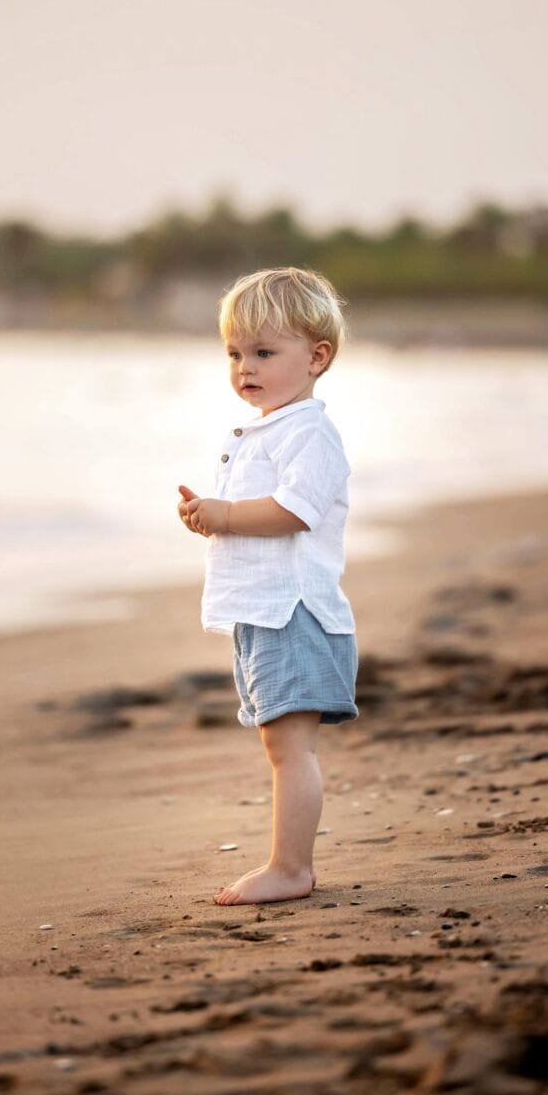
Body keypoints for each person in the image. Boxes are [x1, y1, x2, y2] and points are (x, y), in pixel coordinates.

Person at [177, 266, 359, 906]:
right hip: (266, 614)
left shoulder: (309, 431)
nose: (243, 367)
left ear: (317, 358)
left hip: (295, 614)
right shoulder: (267, 429)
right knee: (280, 743)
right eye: (234, 353)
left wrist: (226, 515)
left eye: (262, 352)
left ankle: (291, 868)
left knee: (289, 747)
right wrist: (211, 513)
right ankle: (290, 864)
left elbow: (294, 511)